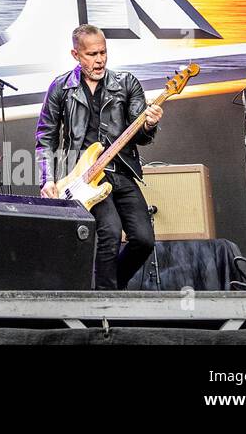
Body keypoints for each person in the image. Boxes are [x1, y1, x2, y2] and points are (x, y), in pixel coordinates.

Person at [35, 24, 163, 290]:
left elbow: (139, 134)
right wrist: (47, 178)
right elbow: (45, 137)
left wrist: (149, 124)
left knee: (144, 239)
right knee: (110, 232)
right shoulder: (61, 88)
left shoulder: (126, 84)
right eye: (92, 54)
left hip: (121, 171)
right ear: (76, 55)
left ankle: (111, 285)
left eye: (103, 52)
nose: (100, 59)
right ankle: (106, 302)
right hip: (84, 176)